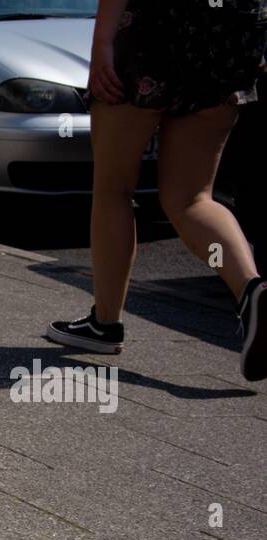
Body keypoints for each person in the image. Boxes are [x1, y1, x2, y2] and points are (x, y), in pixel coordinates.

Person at [47, 0, 267, 382]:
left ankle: (105, 322)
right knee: (193, 198)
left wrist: (102, 42)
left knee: (114, 188)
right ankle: (252, 290)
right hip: (229, 33)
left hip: (154, 28)